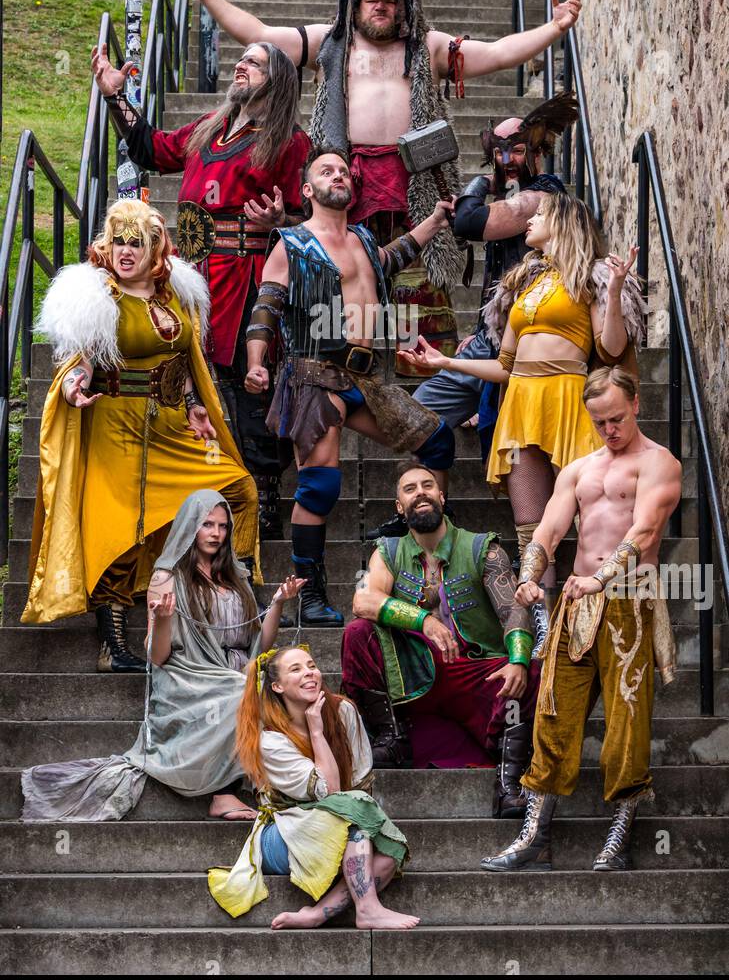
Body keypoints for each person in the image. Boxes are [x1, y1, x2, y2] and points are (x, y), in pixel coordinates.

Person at [188, 0, 582, 380]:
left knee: (416, 311)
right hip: (343, 193)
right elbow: (262, 35)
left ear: (405, 3)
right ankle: (338, 387)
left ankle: (422, 394)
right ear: (355, 0)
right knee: (337, 307)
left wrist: (555, 28)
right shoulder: (328, 43)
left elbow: (494, 53)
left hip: (412, 198)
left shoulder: (427, 48)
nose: (381, 6)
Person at [22, 200, 258, 673]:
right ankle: (113, 645)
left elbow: (185, 360)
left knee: (238, 490)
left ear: (155, 249)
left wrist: (194, 405)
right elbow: (80, 359)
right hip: (115, 425)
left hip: (172, 423)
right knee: (120, 529)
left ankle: (229, 608)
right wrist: (72, 387)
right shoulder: (96, 296)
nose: (125, 252)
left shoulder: (176, 295)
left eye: (136, 243)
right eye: (118, 242)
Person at [402, 192, 645, 650]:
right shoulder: (524, 283)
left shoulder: (591, 276)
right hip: (521, 402)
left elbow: (611, 350)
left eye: (540, 214)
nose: (528, 220)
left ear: (565, 221)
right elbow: (506, 366)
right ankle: (544, 630)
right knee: (531, 527)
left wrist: (613, 293)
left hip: (568, 399)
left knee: (592, 517)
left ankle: (603, 618)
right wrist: (446, 363)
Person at [92, 40, 310, 541]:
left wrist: (284, 220)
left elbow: (313, 214)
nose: (241, 65)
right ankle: (206, 485)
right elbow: (150, 148)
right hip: (190, 273)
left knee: (244, 376)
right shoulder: (209, 128)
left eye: (253, 63)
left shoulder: (288, 141)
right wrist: (115, 97)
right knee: (191, 371)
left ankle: (263, 492)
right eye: (242, 59)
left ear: (276, 80)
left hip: (247, 272)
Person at [480, 366, 681, 873]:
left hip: (629, 601)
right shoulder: (580, 468)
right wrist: (530, 575)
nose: (609, 429)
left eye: (616, 418)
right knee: (552, 713)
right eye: (599, 422)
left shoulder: (659, 463)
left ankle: (619, 836)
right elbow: (547, 531)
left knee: (626, 720)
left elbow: (646, 528)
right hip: (575, 604)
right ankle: (534, 838)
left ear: (636, 404)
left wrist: (603, 578)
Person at [245, 147, 457, 625]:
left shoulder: (362, 238)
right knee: (320, 486)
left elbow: (392, 257)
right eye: (326, 170)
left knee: (438, 439)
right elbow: (265, 309)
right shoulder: (292, 244)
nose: (337, 175)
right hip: (313, 375)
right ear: (307, 189)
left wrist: (436, 221)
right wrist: (257, 363)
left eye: (343, 170)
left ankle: (418, 526)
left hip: (363, 377)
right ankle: (311, 595)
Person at [21, 490, 304, 822]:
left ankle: (281, 787)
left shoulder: (236, 576)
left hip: (237, 669)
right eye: (207, 525)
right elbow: (157, 657)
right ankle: (224, 794)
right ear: (189, 527)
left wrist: (279, 603)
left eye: (223, 526)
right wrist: (165, 618)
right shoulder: (167, 578)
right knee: (238, 695)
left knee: (279, 686)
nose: (215, 533)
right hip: (187, 678)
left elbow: (258, 642)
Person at [342, 461, 541, 816]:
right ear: (399, 508)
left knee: (535, 671)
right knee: (358, 633)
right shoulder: (388, 551)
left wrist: (519, 661)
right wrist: (424, 621)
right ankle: (391, 739)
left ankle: (511, 783)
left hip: (474, 671)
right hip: (416, 672)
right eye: (410, 489)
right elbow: (363, 600)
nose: (420, 492)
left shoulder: (484, 548)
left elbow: (513, 609)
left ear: (442, 496)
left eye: (427, 485)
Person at [408, 93, 573, 492]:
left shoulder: (544, 197)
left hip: (536, 341)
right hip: (493, 339)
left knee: (524, 448)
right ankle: (434, 506)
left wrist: (479, 183)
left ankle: (536, 531)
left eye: (517, 150)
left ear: (538, 153)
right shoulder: (507, 198)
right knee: (419, 414)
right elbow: (499, 278)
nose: (508, 161)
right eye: (499, 153)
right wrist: (482, 328)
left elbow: (468, 221)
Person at [208, 645, 417, 928]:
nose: (309, 673)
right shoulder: (271, 740)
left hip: (341, 820)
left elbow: (359, 783)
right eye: (296, 670)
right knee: (353, 823)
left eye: (311, 665)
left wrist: (360, 818)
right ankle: (367, 908)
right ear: (278, 686)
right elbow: (328, 791)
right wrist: (316, 732)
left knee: (390, 849)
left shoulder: (343, 711)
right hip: (283, 833)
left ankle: (318, 913)